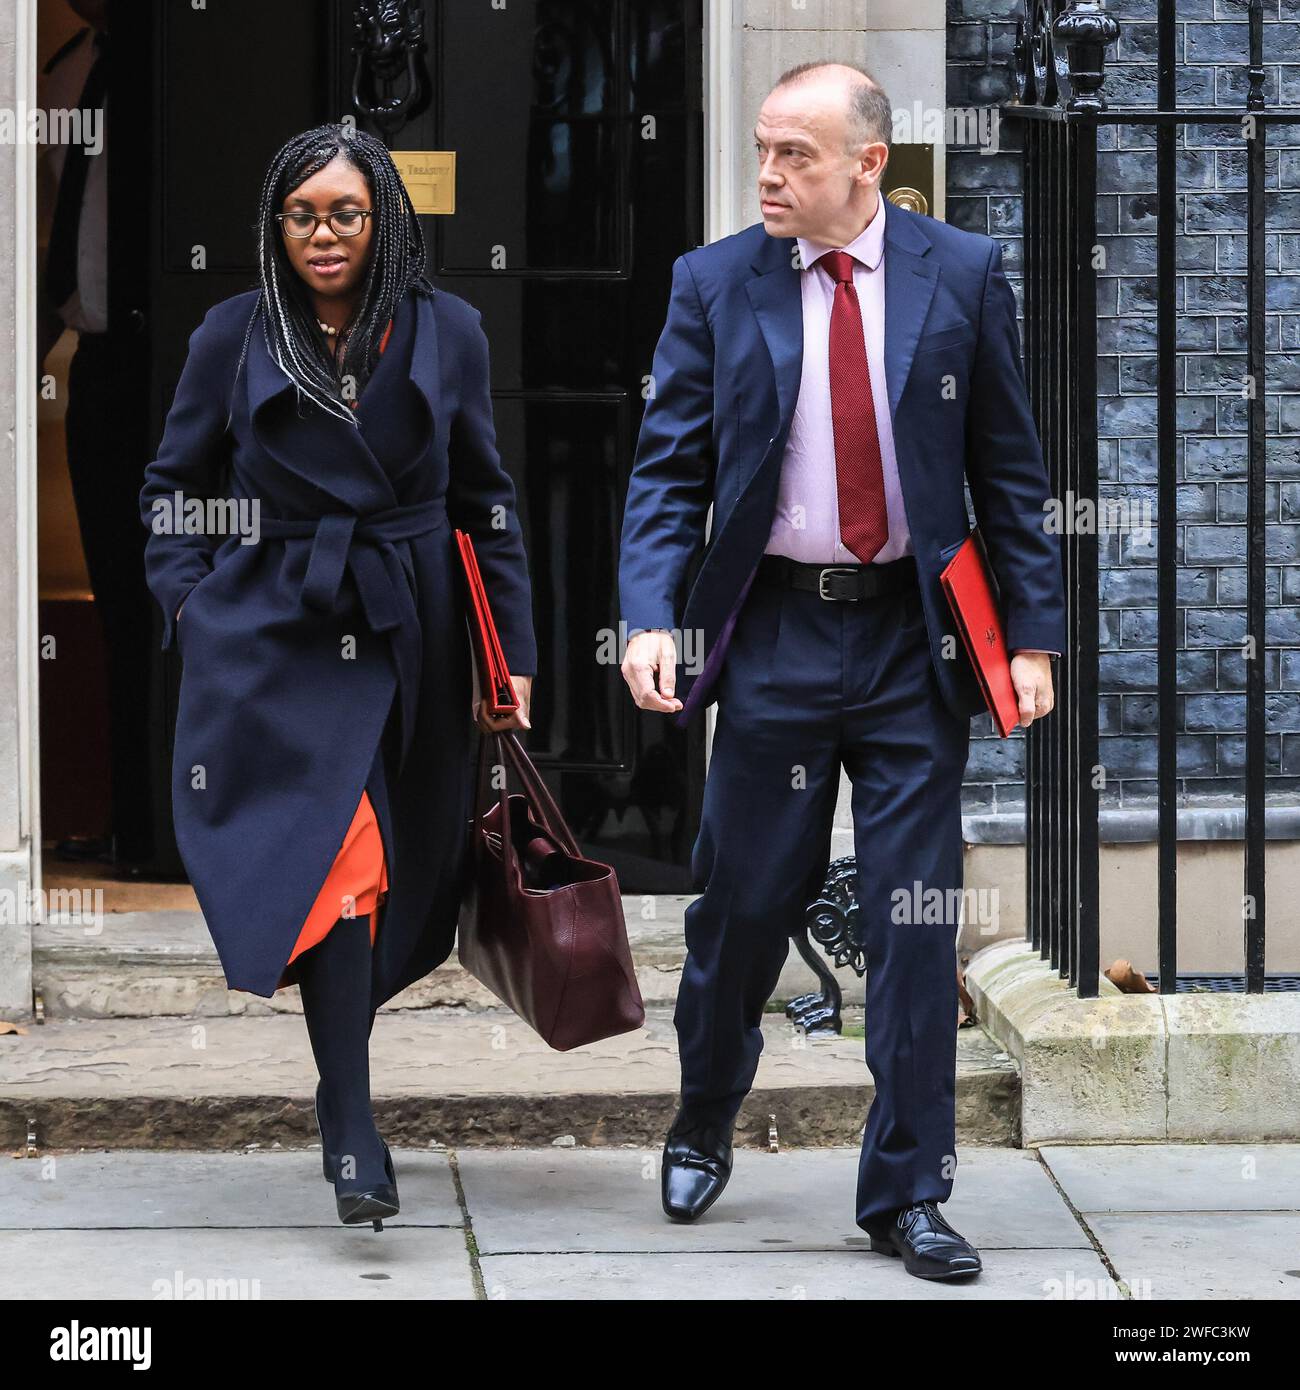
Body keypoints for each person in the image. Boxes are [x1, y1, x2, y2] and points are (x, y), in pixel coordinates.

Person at [618, 62, 1064, 1281]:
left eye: (796, 155)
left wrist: (1030, 638)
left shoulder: (959, 275)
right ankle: (705, 1111)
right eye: (763, 150)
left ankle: (908, 1189)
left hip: (914, 642)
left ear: (868, 163)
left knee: (912, 925)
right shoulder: (713, 282)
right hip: (772, 633)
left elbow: (1008, 474)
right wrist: (650, 614)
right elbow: (667, 471)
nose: (767, 173)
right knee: (744, 903)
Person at [139, 124, 535, 1230]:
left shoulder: (448, 329)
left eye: (345, 214)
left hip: (409, 623)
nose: (323, 234)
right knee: (337, 861)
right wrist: (194, 604)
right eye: (303, 214)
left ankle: (339, 1085)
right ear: (277, 223)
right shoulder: (233, 333)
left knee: (388, 876)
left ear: (384, 222)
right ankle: (353, 1119)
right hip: (274, 632)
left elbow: (485, 504)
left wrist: (515, 653)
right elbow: (172, 488)